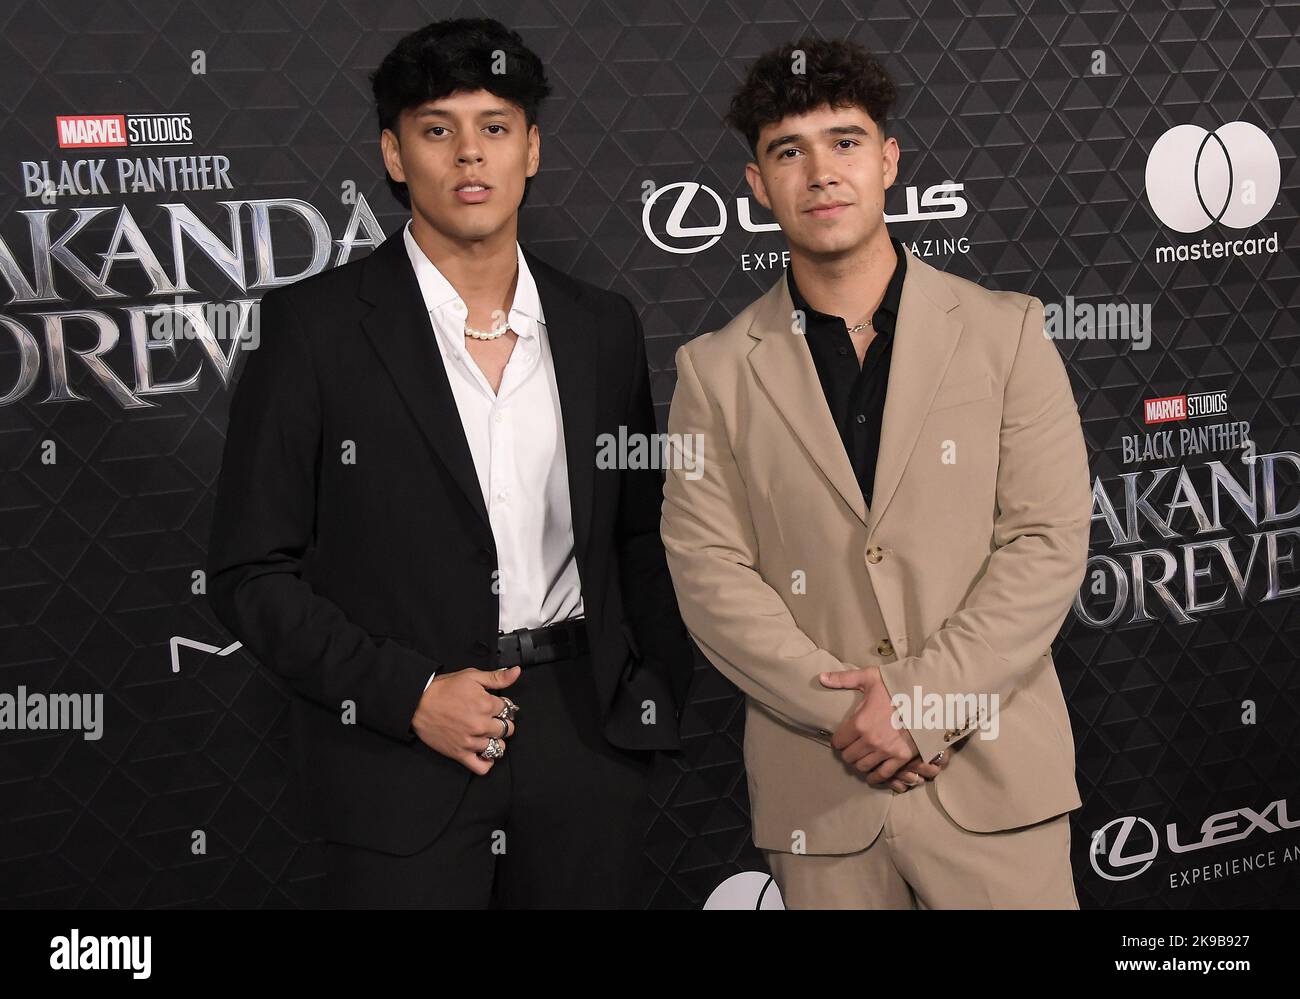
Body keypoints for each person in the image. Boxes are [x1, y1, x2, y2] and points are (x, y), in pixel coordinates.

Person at [207, 17, 693, 908]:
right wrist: (409, 693)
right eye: (438, 130)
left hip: (584, 746)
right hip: (401, 757)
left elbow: (638, 536)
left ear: (532, 148)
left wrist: (643, 700)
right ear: (395, 155)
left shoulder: (602, 326)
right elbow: (249, 571)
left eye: (495, 127)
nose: (470, 154)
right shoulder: (313, 330)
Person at [659, 37, 1091, 908]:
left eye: (845, 142)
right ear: (756, 186)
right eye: (790, 150)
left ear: (889, 161)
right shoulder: (712, 369)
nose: (822, 172)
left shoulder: (1007, 332)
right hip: (823, 795)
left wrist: (924, 702)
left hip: (994, 779)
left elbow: (1046, 543)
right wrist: (853, 716)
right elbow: (710, 575)